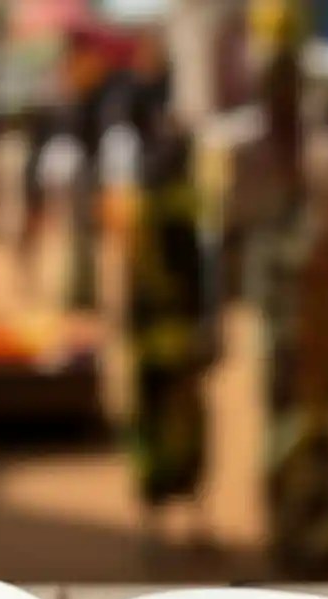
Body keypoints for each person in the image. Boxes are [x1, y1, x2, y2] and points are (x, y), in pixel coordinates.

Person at [237, 10, 328, 580]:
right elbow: (234, 240)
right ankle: (288, 537)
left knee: (318, 432)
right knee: (280, 430)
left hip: (321, 324)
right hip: (275, 324)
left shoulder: (325, 158)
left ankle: (325, 542)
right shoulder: (245, 155)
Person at [127, 113, 212, 548]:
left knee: (152, 424)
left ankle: (152, 521)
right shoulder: (183, 206)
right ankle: (194, 520)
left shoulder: (140, 207)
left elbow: (132, 282)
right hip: (178, 338)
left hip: (149, 342)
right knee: (189, 427)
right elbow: (196, 278)